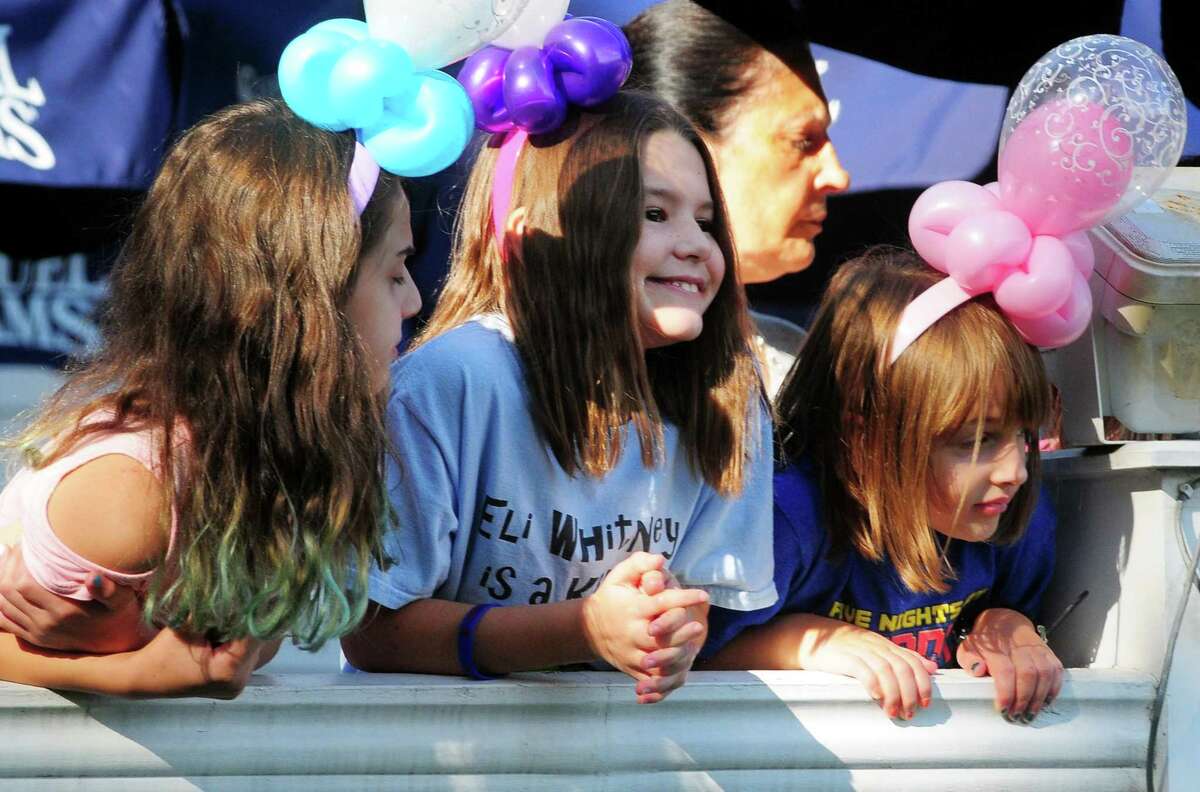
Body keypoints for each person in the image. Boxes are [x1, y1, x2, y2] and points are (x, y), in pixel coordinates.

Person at [341, 91, 776, 704]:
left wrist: (675, 630)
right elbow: (372, 633)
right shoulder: (454, 381)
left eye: (705, 222)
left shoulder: (728, 399)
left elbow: (714, 615)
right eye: (654, 214)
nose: (697, 246)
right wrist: (581, 630)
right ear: (537, 241)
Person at [0, 97, 422, 697]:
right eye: (395, 272)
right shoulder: (130, 495)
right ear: (305, 302)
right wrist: (130, 670)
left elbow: (252, 635)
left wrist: (158, 641)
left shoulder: (275, 447)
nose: (413, 303)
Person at [699, 248, 1064, 723]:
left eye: (1024, 433)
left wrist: (1003, 622)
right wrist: (810, 641)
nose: (1014, 470)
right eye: (976, 440)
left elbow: (1015, 613)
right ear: (865, 436)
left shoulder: (1014, 516)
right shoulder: (786, 520)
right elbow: (694, 650)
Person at [624, 0, 850, 396]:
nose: (838, 176)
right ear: (686, 146)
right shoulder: (522, 365)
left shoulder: (800, 363)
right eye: (803, 140)